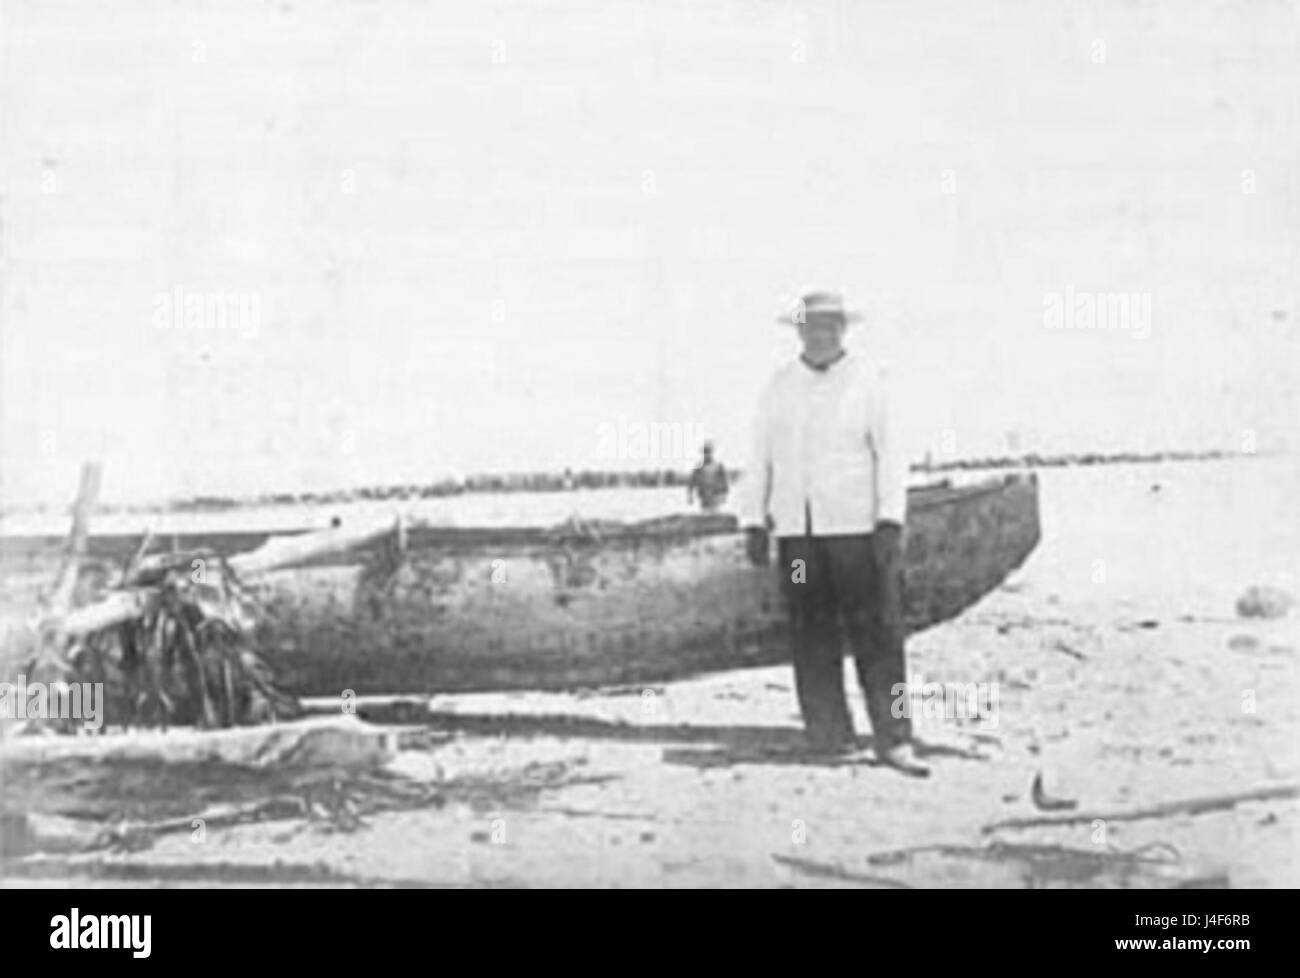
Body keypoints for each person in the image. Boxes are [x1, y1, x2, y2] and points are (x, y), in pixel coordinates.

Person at [736, 291, 928, 775]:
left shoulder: (869, 382)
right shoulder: (778, 387)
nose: (820, 335)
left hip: (856, 535)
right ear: (798, 331)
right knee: (809, 632)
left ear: (843, 330)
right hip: (799, 541)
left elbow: (892, 456)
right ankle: (826, 735)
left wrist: (890, 519)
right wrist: (755, 522)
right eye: (811, 326)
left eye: (830, 326)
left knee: (880, 637)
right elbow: (758, 459)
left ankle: (895, 738)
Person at [686, 441, 730, 511]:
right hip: (704, 498)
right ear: (703, 453)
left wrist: (724, 494)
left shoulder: (718, 466)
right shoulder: (698, 467)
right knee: (705, 515)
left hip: (716, 497)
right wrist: (690, 495)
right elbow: (692, 482)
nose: (707, 454)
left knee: (715, 514)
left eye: (708, 452)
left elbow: (724, 481)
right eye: (705, 452)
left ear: (712, 452)